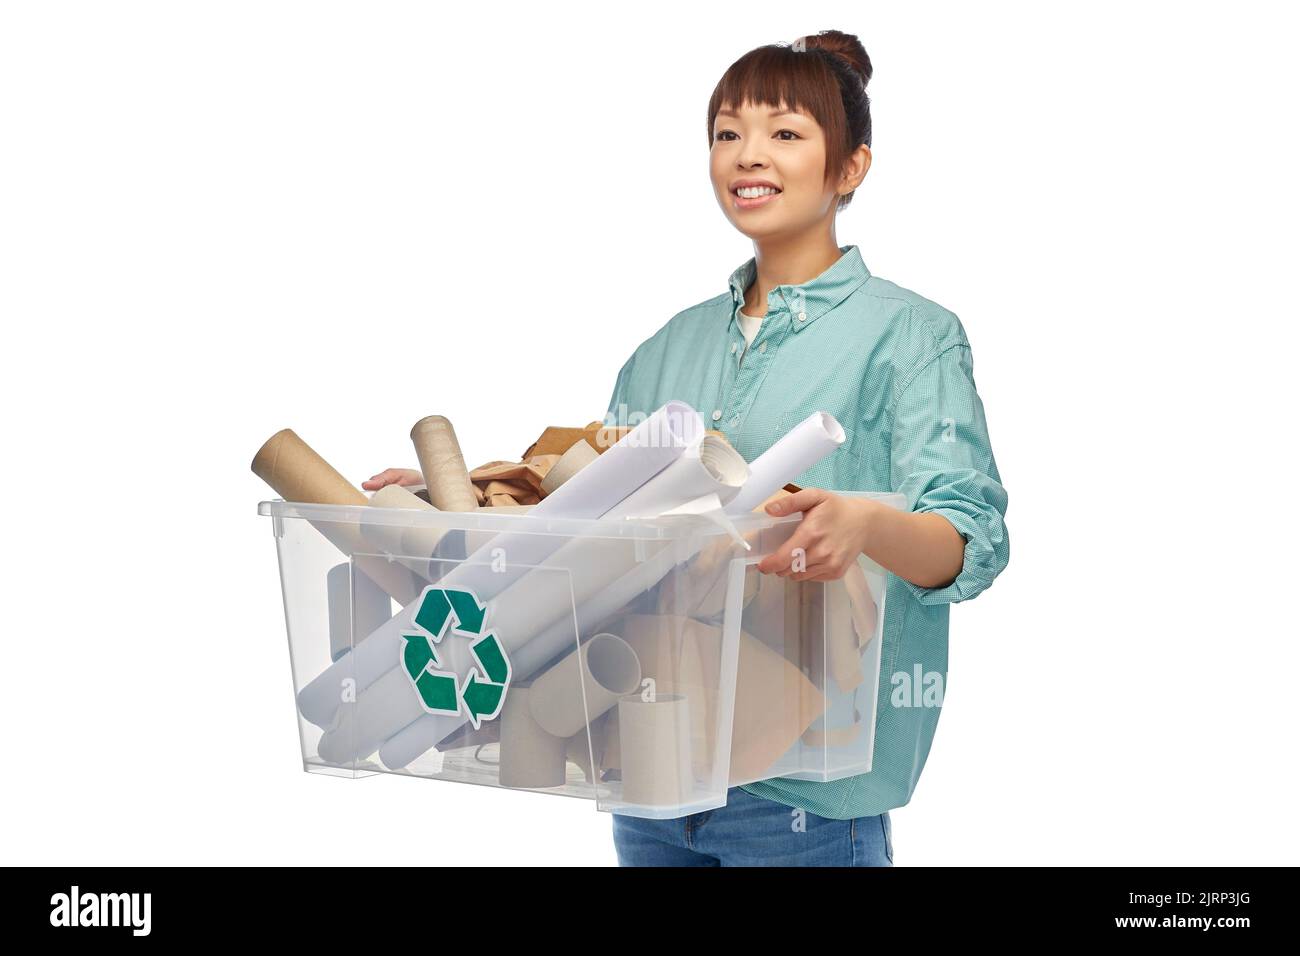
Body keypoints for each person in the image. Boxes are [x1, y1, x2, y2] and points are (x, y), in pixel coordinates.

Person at [367, 29, 1009, 867]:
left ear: (849, 168)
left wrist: (864, 523)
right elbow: (595, 532)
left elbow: (971, 543)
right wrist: (471, 496)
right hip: (651, 769)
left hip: (805, 799)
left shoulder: (911, 338)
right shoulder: (665, 350)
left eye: (786, 133)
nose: (749, 155)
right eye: (728, 132)